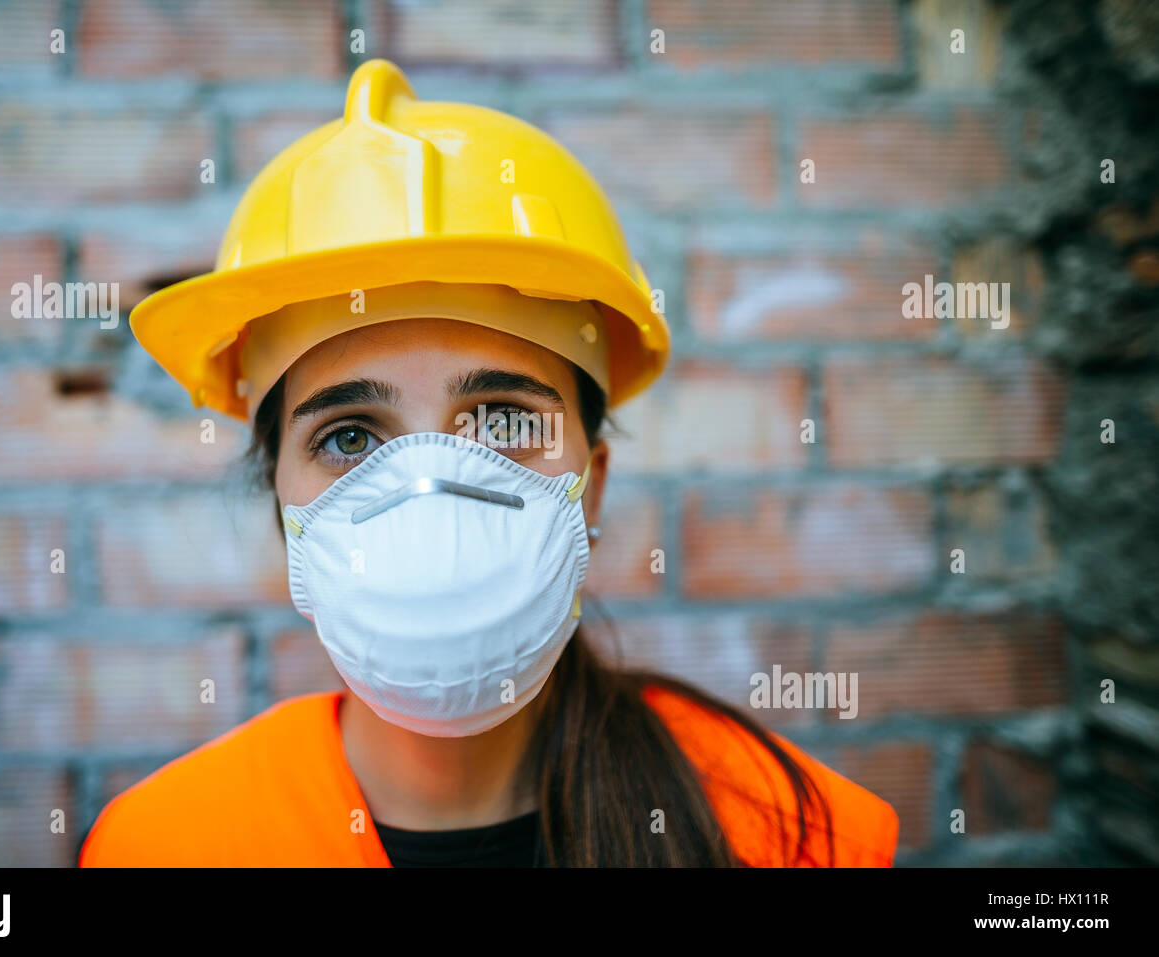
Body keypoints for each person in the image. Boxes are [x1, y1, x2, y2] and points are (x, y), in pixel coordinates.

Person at [78, 59, 898, 868]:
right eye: (351, 437)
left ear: (592, 484)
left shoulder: (789, 836)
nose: (427, 489)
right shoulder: (167, 847)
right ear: (284, 511)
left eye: (504, 419)